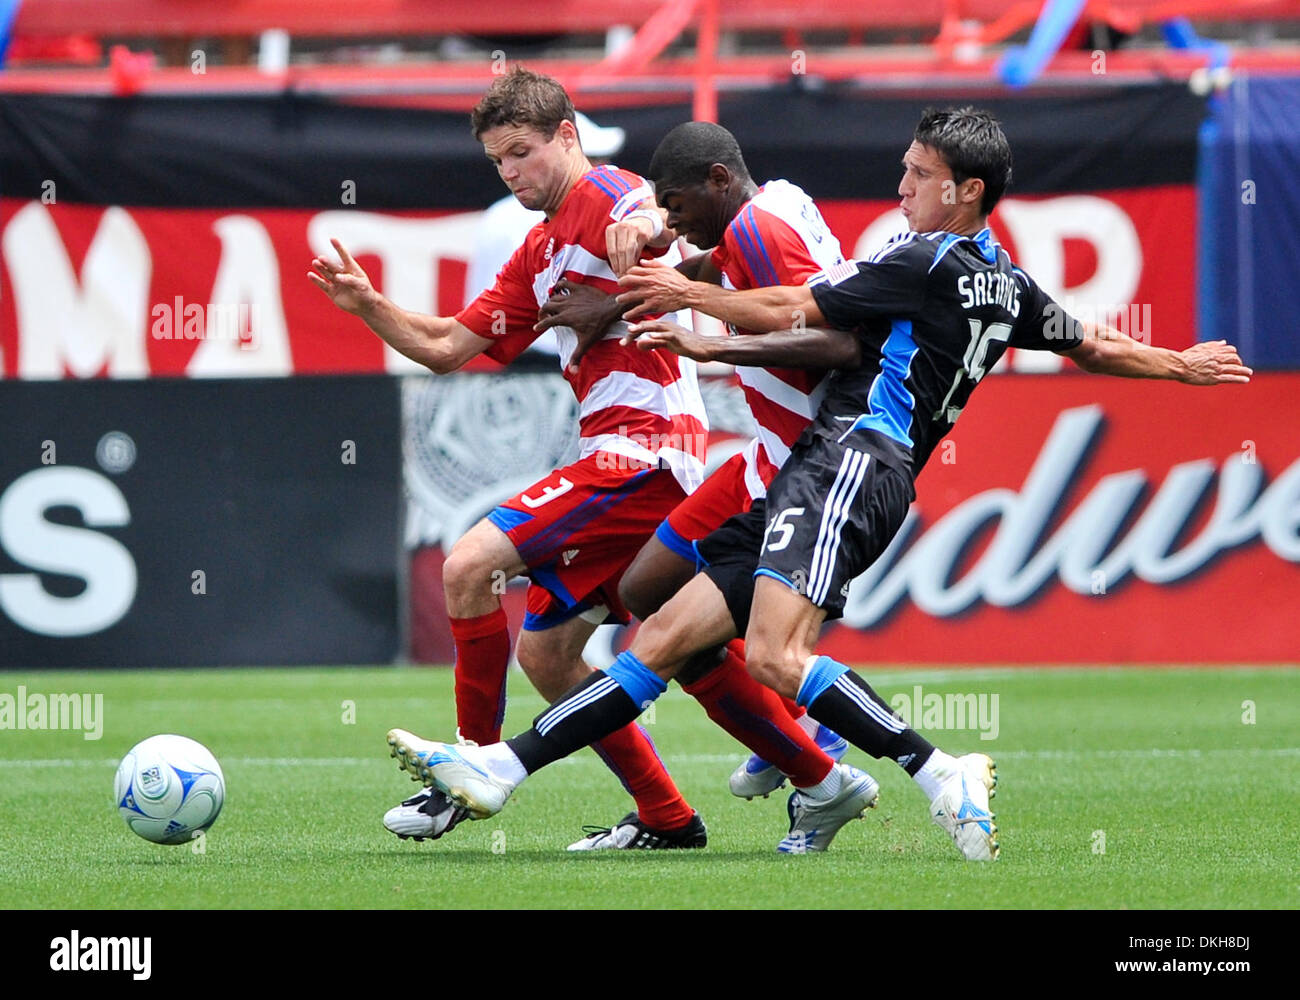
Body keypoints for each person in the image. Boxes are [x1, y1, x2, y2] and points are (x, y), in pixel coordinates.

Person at [385, 106, 1252, 861]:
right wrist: (1178, 363)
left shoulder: (921, 261)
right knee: (658, 633)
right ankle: (502, 768)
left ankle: (929, 766)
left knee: (771, 653)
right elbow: (1090, 342)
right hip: (822, 466)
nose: (901, 185)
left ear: (968, 192)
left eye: (919, 175)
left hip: (849, 459)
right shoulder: (1004, 278)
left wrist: (696, 332)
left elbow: (803, 312)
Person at [310, 66, 710, 851]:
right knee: (554, 654)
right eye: (499, 161)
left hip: (649, 452)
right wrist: (369, 306)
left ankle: (462, 775)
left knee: (468, 567)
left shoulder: (608, 193)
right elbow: (445, 347)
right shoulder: (538, 252)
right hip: (623, 457)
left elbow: (651, 220)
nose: (512, 173)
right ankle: (685, 812)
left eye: (523, 152)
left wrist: (646, 236)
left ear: (568, 136)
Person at [466, 111, 626, 358]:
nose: (600, 171)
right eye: (593, 160)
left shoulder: (621, 199)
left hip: (582, 357)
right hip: (543, 359)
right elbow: (475, 327)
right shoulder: (516, 225)